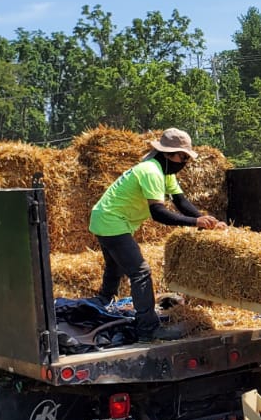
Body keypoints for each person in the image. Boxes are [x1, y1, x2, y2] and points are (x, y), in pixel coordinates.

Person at [88, 128, 226, 340]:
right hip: (110, 221)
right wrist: (195, 222)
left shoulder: (165, 171)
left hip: (106, 218)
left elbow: (180, 201)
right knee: (140, 272)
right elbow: (159, 213)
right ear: (168, 154)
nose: (185, 162)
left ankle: (103, 306)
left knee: (115, 267)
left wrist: (205, 221)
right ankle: (148, 329)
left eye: (187, 157)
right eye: (183, 156)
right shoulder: (151, 171)